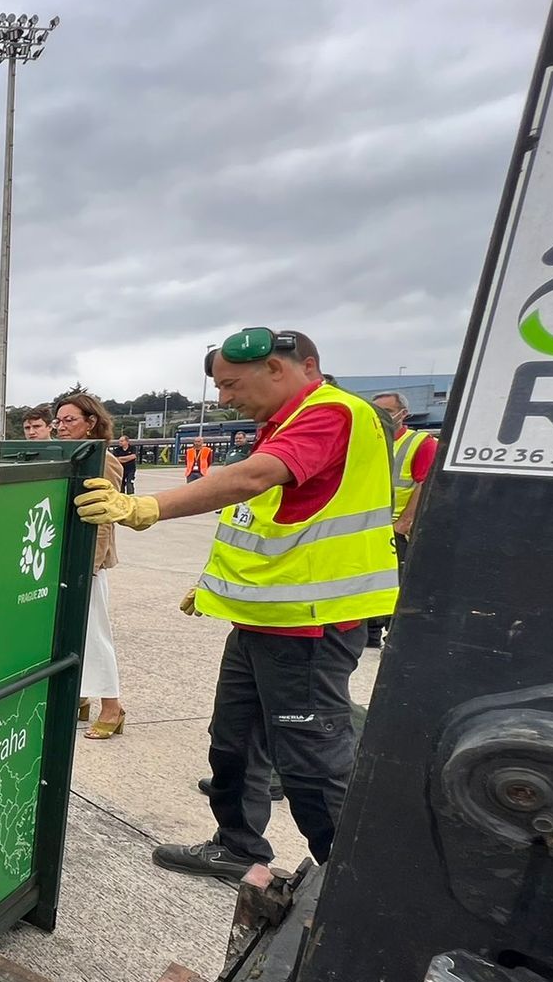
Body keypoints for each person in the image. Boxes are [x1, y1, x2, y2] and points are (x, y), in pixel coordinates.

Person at [75, 326, 397, 879]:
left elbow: (253, 480)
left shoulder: (332, 413)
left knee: (312, 768)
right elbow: (270, 521)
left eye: (230, 384)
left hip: (309, 627)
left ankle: (355, 890)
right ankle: (238, 845)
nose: (223, 399)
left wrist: (146, 505)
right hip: (264, 620)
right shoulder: (285, 421)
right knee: (234, 745)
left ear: (278, 368)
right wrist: (214, 588)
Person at [55, 395, 128, 739]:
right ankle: (81, 697)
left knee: (96, 635)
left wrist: (92, 564)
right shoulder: (70, 456)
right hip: (69, 560)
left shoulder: (106, 461)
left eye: (69, 420)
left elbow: (105, 519)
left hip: (89, 563)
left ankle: (112, 706)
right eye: (59, 421)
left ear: (91, 422)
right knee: (75, 632)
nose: (61, 427)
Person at [366, 391, 439, 648]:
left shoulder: (419, 443)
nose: (380, 416)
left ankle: (390, 634)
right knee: (368, 583)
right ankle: (370, 634)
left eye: (386, 411)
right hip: (366, 526)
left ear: (403, 414)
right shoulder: (369, 439)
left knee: (393, 584)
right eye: (376, 411)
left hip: (395, 526)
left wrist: (404, 523)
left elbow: (424, 484)